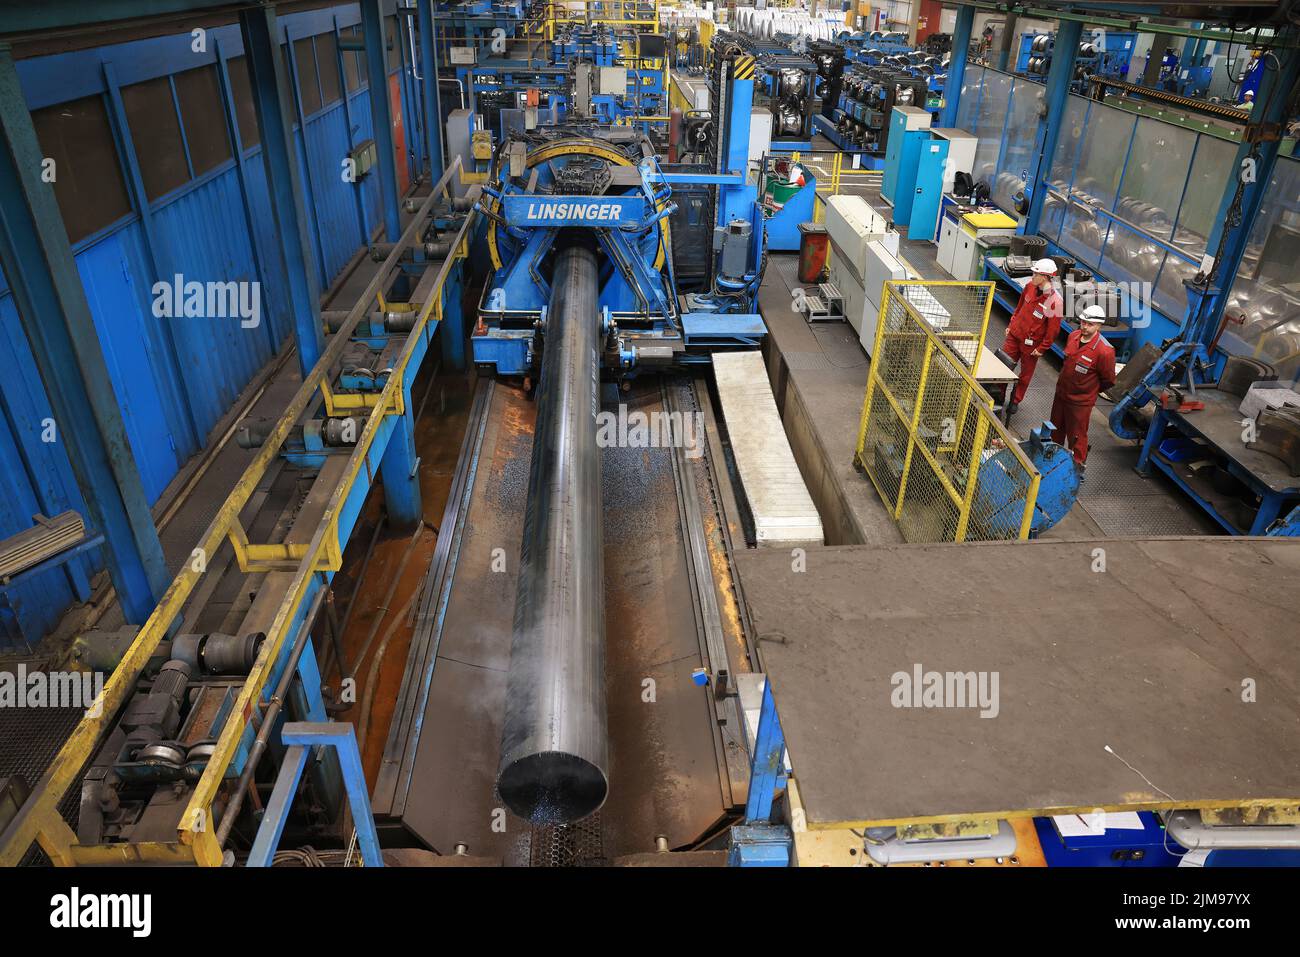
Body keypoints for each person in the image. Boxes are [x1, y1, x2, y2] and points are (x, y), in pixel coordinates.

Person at [1051, 304, 1117, 480]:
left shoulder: (1105, 351)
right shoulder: (1073, 337)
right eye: (1083, 322)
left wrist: (1088, 392)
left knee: (1077, 436)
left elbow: (1109, 380)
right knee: (1056, 429)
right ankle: (1052, 463)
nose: (1084, 327)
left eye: (1089, 324)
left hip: (1080, 402)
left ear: (1099, 326)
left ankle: (1077, 469)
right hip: (1062, 394)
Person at [1002, 258, 1063, 417]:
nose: (1032, 276)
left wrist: (1042, 348)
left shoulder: (1055, 302)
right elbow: (1019, 307)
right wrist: (1011, 324)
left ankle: (1015, 400)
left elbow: (1053, 330)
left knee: (1025, 374)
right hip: (1015, 335)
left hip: (1031, 345)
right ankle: (998, 394)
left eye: (1035, 273)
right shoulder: (1029, 287)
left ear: (1045, 277)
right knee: (1003, 365)